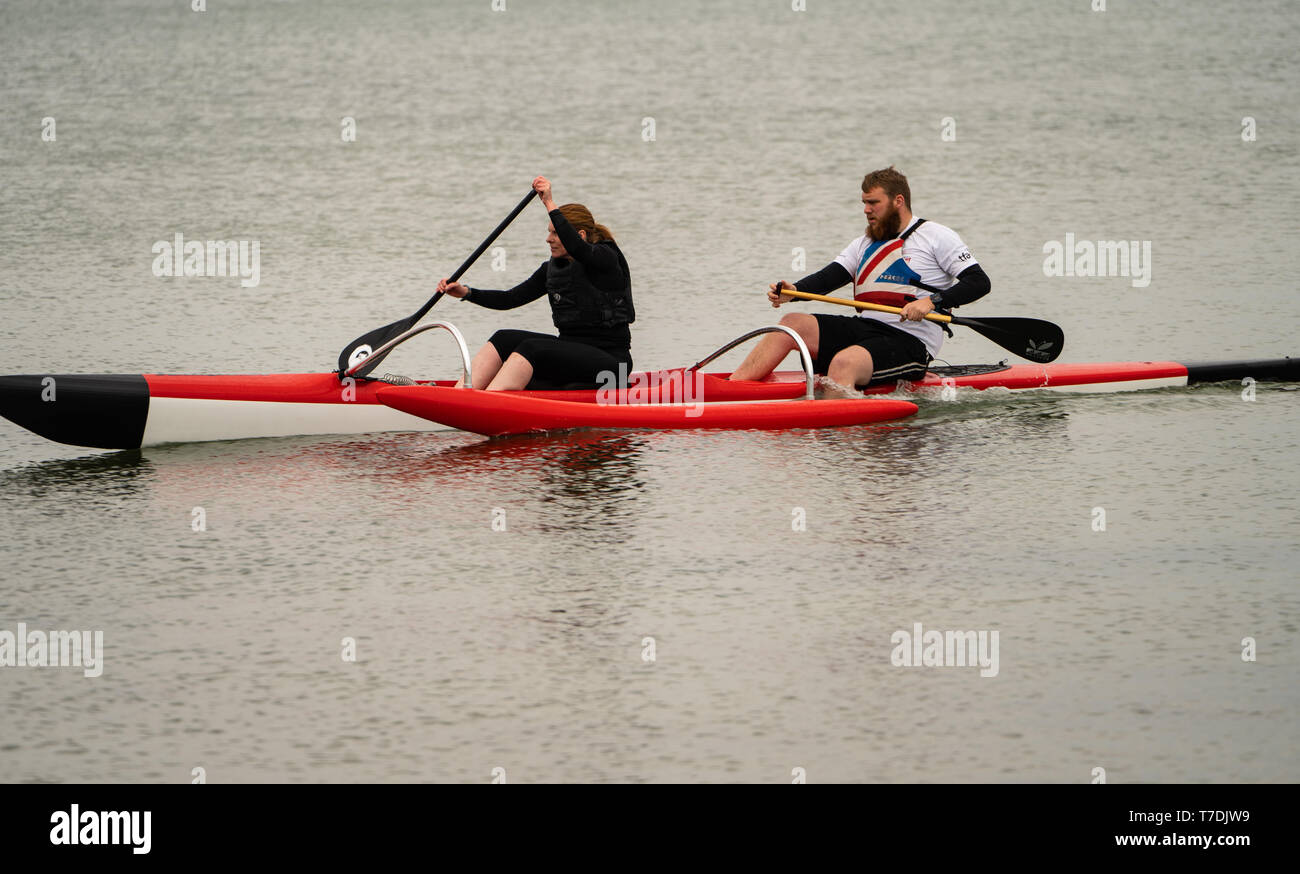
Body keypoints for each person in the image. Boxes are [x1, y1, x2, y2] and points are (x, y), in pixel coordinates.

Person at [729, 166, 990, 389]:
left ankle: (833, 430)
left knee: (844, 363)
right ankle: (733, 390)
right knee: (791, 324)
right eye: (864, 202)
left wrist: (930, 302)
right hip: (866, 331)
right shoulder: (865, 243)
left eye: (873, 202)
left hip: (910, 341)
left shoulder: (935, 236)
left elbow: (978, 282)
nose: (866, 209)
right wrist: (794, 290)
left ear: (898, 201)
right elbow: (830, 277)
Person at [437, 176, 634, 390]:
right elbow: (510, 299)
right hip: (572, 353)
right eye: (549, 232)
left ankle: (489, 403)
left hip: (612, 363)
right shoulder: (552, 269)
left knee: (532, 348)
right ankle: (463, 394)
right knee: (504, 338)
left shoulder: (606, 259)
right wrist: (467, 292)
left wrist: (549, 202)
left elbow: (580, 250)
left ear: (580, 235)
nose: (548, 239)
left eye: (555, 233)